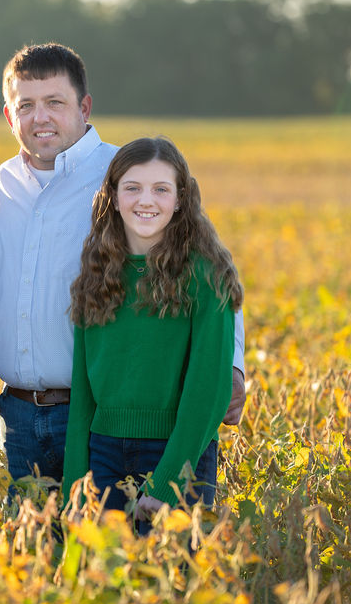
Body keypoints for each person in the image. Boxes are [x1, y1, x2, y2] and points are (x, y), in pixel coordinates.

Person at [0, 43, 246, 484]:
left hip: (97, 415)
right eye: (25, 105)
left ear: (84, 107)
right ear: (10, 116)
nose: (40, 117)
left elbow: (202, 260)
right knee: (38, 550)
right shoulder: (1, 186)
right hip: (18, 416)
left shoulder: (127, 176)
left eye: (55, 103)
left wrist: (231, 367)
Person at [61, 137, 242, 531]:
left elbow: (209, 389)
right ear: (112, 195)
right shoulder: (97, 274)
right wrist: (74, 487)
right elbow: (83, 391)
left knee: (171, 583)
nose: (147, 200)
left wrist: (169, 481)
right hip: (103, 453)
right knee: (106, 586)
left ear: (180, 199)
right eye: (133, 188)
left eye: (161, 189)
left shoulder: (205, 276)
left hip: (179, 453)